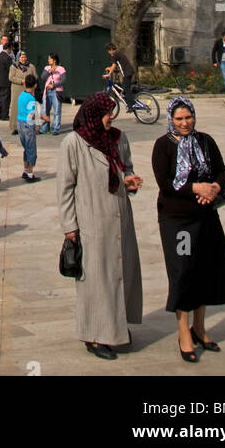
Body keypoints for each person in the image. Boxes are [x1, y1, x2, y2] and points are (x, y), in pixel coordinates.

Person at [57, 91, 144, 361]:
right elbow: (65, 188)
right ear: (94, 114)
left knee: (119, 273)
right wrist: (70, 227)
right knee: (96, 279)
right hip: (90, 219)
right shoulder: (74, 143)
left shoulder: (117, 138)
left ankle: (117, 327)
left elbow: (126, 168)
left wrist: (130, 181)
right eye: (107, 114)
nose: (111, 118)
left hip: (118, 217)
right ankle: (94, 335)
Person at [152, 96, 225, 361]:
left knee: (204, 270)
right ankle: (183, 331)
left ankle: (199, 327)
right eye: (178, 119)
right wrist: (194, 188)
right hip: (179, 223)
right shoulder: (163, 145)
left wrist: (213, 188)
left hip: (205, 218)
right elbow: (165, 182)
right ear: (171, 119)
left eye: (188, 117)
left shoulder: (205, 141)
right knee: (183, 270)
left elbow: (221, 171)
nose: (184, 123)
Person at [16, 74, 41, 182]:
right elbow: (32, 115)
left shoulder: (21, 95)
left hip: (20, 123)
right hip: (28, 124)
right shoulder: (31, 98)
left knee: (26, 148)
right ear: (35, 85)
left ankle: (25, 170)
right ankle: (30, 174)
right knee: (31, 149)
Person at [8, 51, 36, 134]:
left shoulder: (31, 67)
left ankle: (28, 125)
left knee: (28, 108)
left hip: (28, 89)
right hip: (16, 90)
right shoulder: (14, 67)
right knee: (15, 108)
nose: (23, 59)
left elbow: (35, 77)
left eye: (24, 57)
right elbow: (11, 77)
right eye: (21, 57)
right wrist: (21, 81)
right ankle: (14, 127)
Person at [103, 42, 136, 112]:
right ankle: (130, 102)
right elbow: (117, 66)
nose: (109, 53)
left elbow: (114, 65)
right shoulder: (119, 53)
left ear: (111, 49)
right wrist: (110, 68)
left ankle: (131, 105)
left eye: (108, 51)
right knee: (125, 88)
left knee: (126, 88)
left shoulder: (114, 55)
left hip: (127, 73)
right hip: (129, 72)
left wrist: (109, 74)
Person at [39, 54, 66, 134]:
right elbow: (43, 77)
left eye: (50, 59)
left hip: (56, 91)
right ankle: (44, 128)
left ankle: (56, 128)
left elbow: (63, 80)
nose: (48, 60)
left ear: (54, 60)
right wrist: (49, 71)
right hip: (47, 91)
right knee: (45, 110)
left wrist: (54, 85)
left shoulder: (61, 69)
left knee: (57, 110)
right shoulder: (47, 68)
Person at [0, 38, 14, 121]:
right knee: (5, 99)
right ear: (9, 49)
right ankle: (4, 115)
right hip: (5, 81)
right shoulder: (8, 58)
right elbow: (10, 69)